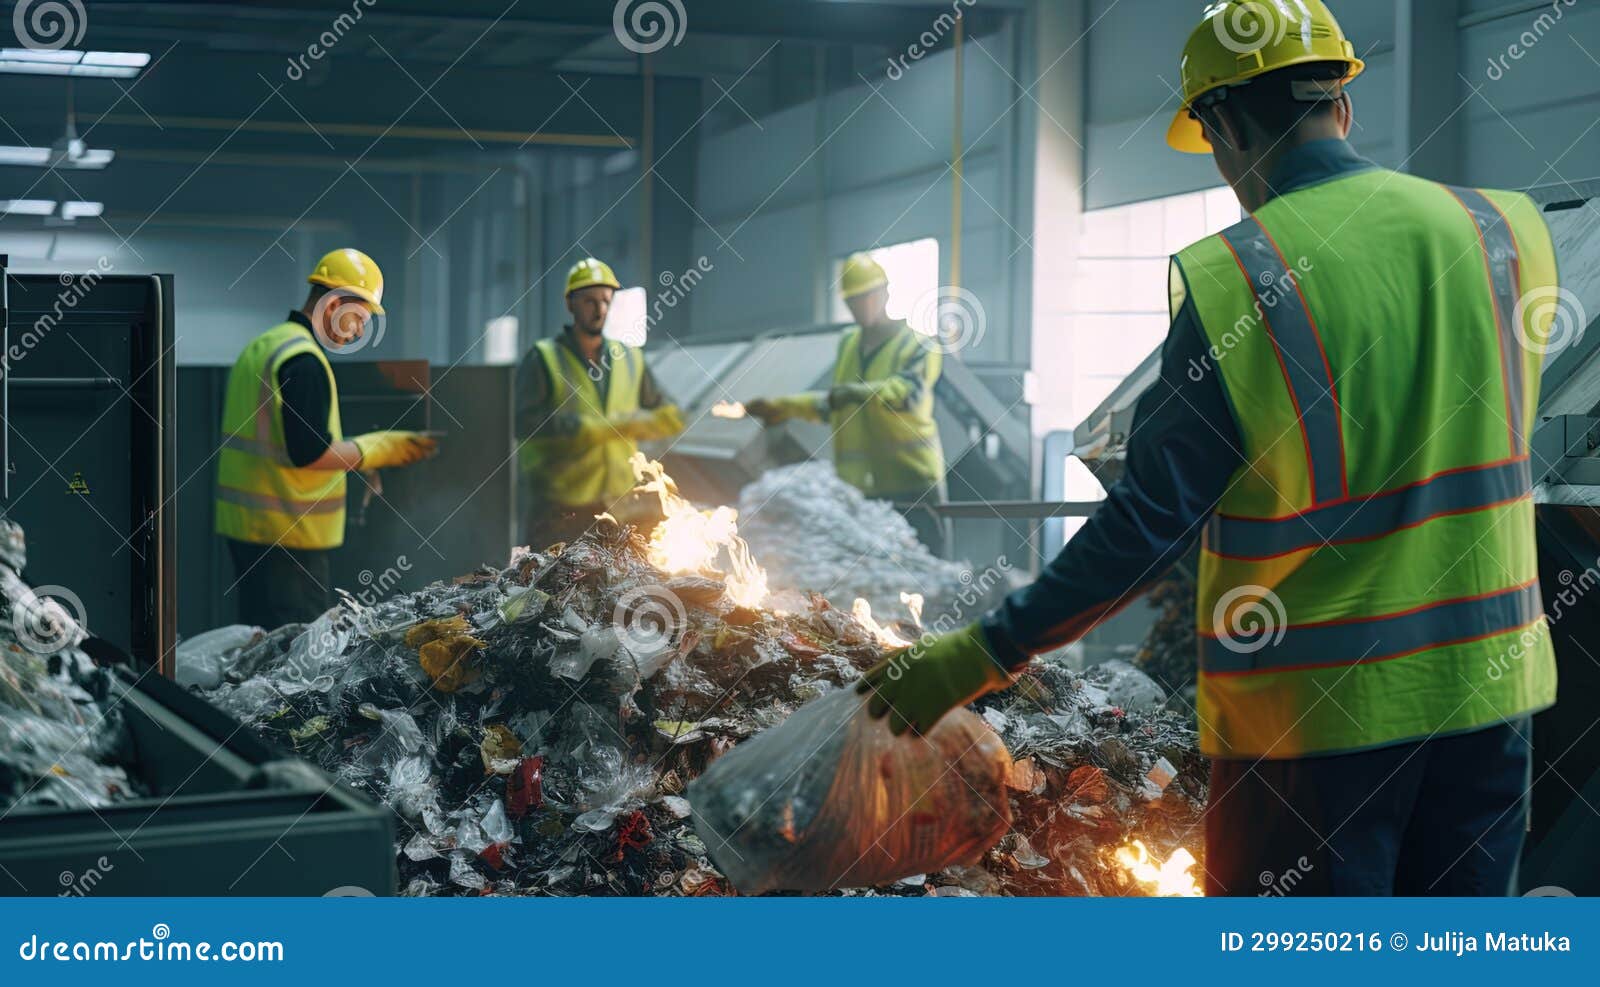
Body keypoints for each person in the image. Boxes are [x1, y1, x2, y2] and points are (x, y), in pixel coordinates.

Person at [861, 0, 1558, 897]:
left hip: (1320, 726)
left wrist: (987, 648)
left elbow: (1150, 516)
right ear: (1341, 102)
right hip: (1491, 691)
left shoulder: (1244, 275)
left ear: (1224, 122)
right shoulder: (1504, 229)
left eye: (1217, 144)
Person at [215, 248, 438, 629]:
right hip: (292, 538)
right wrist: (381, 449)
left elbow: (287, 440)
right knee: (293, 655)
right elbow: (311, 453)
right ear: (334, 303)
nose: (359, 331)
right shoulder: (304, 362)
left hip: (249, 530)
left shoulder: (264, 347)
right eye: (359, 317)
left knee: (260, 645)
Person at [746, 252, 947, 554]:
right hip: (860, 491)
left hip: (912, 483)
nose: (860, 306)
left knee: (923, 573)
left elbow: (905, 394)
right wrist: (781, 406)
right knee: (874, 579)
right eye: (852, 299)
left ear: (885, 292)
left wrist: (854, 392)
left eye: (867, 295)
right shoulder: (849, 343)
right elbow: (833, 404)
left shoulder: (918, 345)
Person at [515, 257, 684, 548]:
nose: (600, 310)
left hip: (619, 504)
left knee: (615, 586)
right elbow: (524, 422)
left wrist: (652, 423)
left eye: (606, 301)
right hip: (560, 509)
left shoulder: (629, 357)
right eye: (590, 302)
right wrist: (599, 428)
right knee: (553, 588)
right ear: (571, 304)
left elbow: (670, 412)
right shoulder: (544, 357)